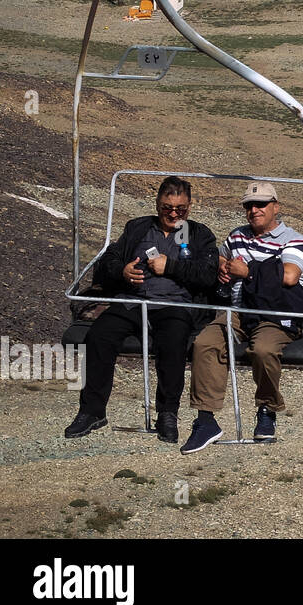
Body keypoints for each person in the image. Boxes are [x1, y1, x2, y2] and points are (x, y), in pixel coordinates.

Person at [65, 177, 218, 443]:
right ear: (157, 205)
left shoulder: (197, 234)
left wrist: (170, 267)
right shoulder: (139, 228)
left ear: (189, 208)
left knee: (173, 342)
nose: (173, 214)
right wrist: (122, 272)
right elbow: (109, 260)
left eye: (179, 209)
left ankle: (167, 413)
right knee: (100, 336)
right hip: (132, 300)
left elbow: (207, 275)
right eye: (166, 208)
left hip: (174, 304)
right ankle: (92, 410)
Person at [182, 182, 303, 452]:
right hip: (238, 311)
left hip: (274, 314)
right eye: (249, 206)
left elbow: (289, 276)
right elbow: (220, 259)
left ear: (276, 206)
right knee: (205, 343)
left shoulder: (293, 239)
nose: (254, 210)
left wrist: (247, 272)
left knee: (262, 349)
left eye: (261, 204)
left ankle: (267, 409)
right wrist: (223, 269)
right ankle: (205, 420)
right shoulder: (236, 237)